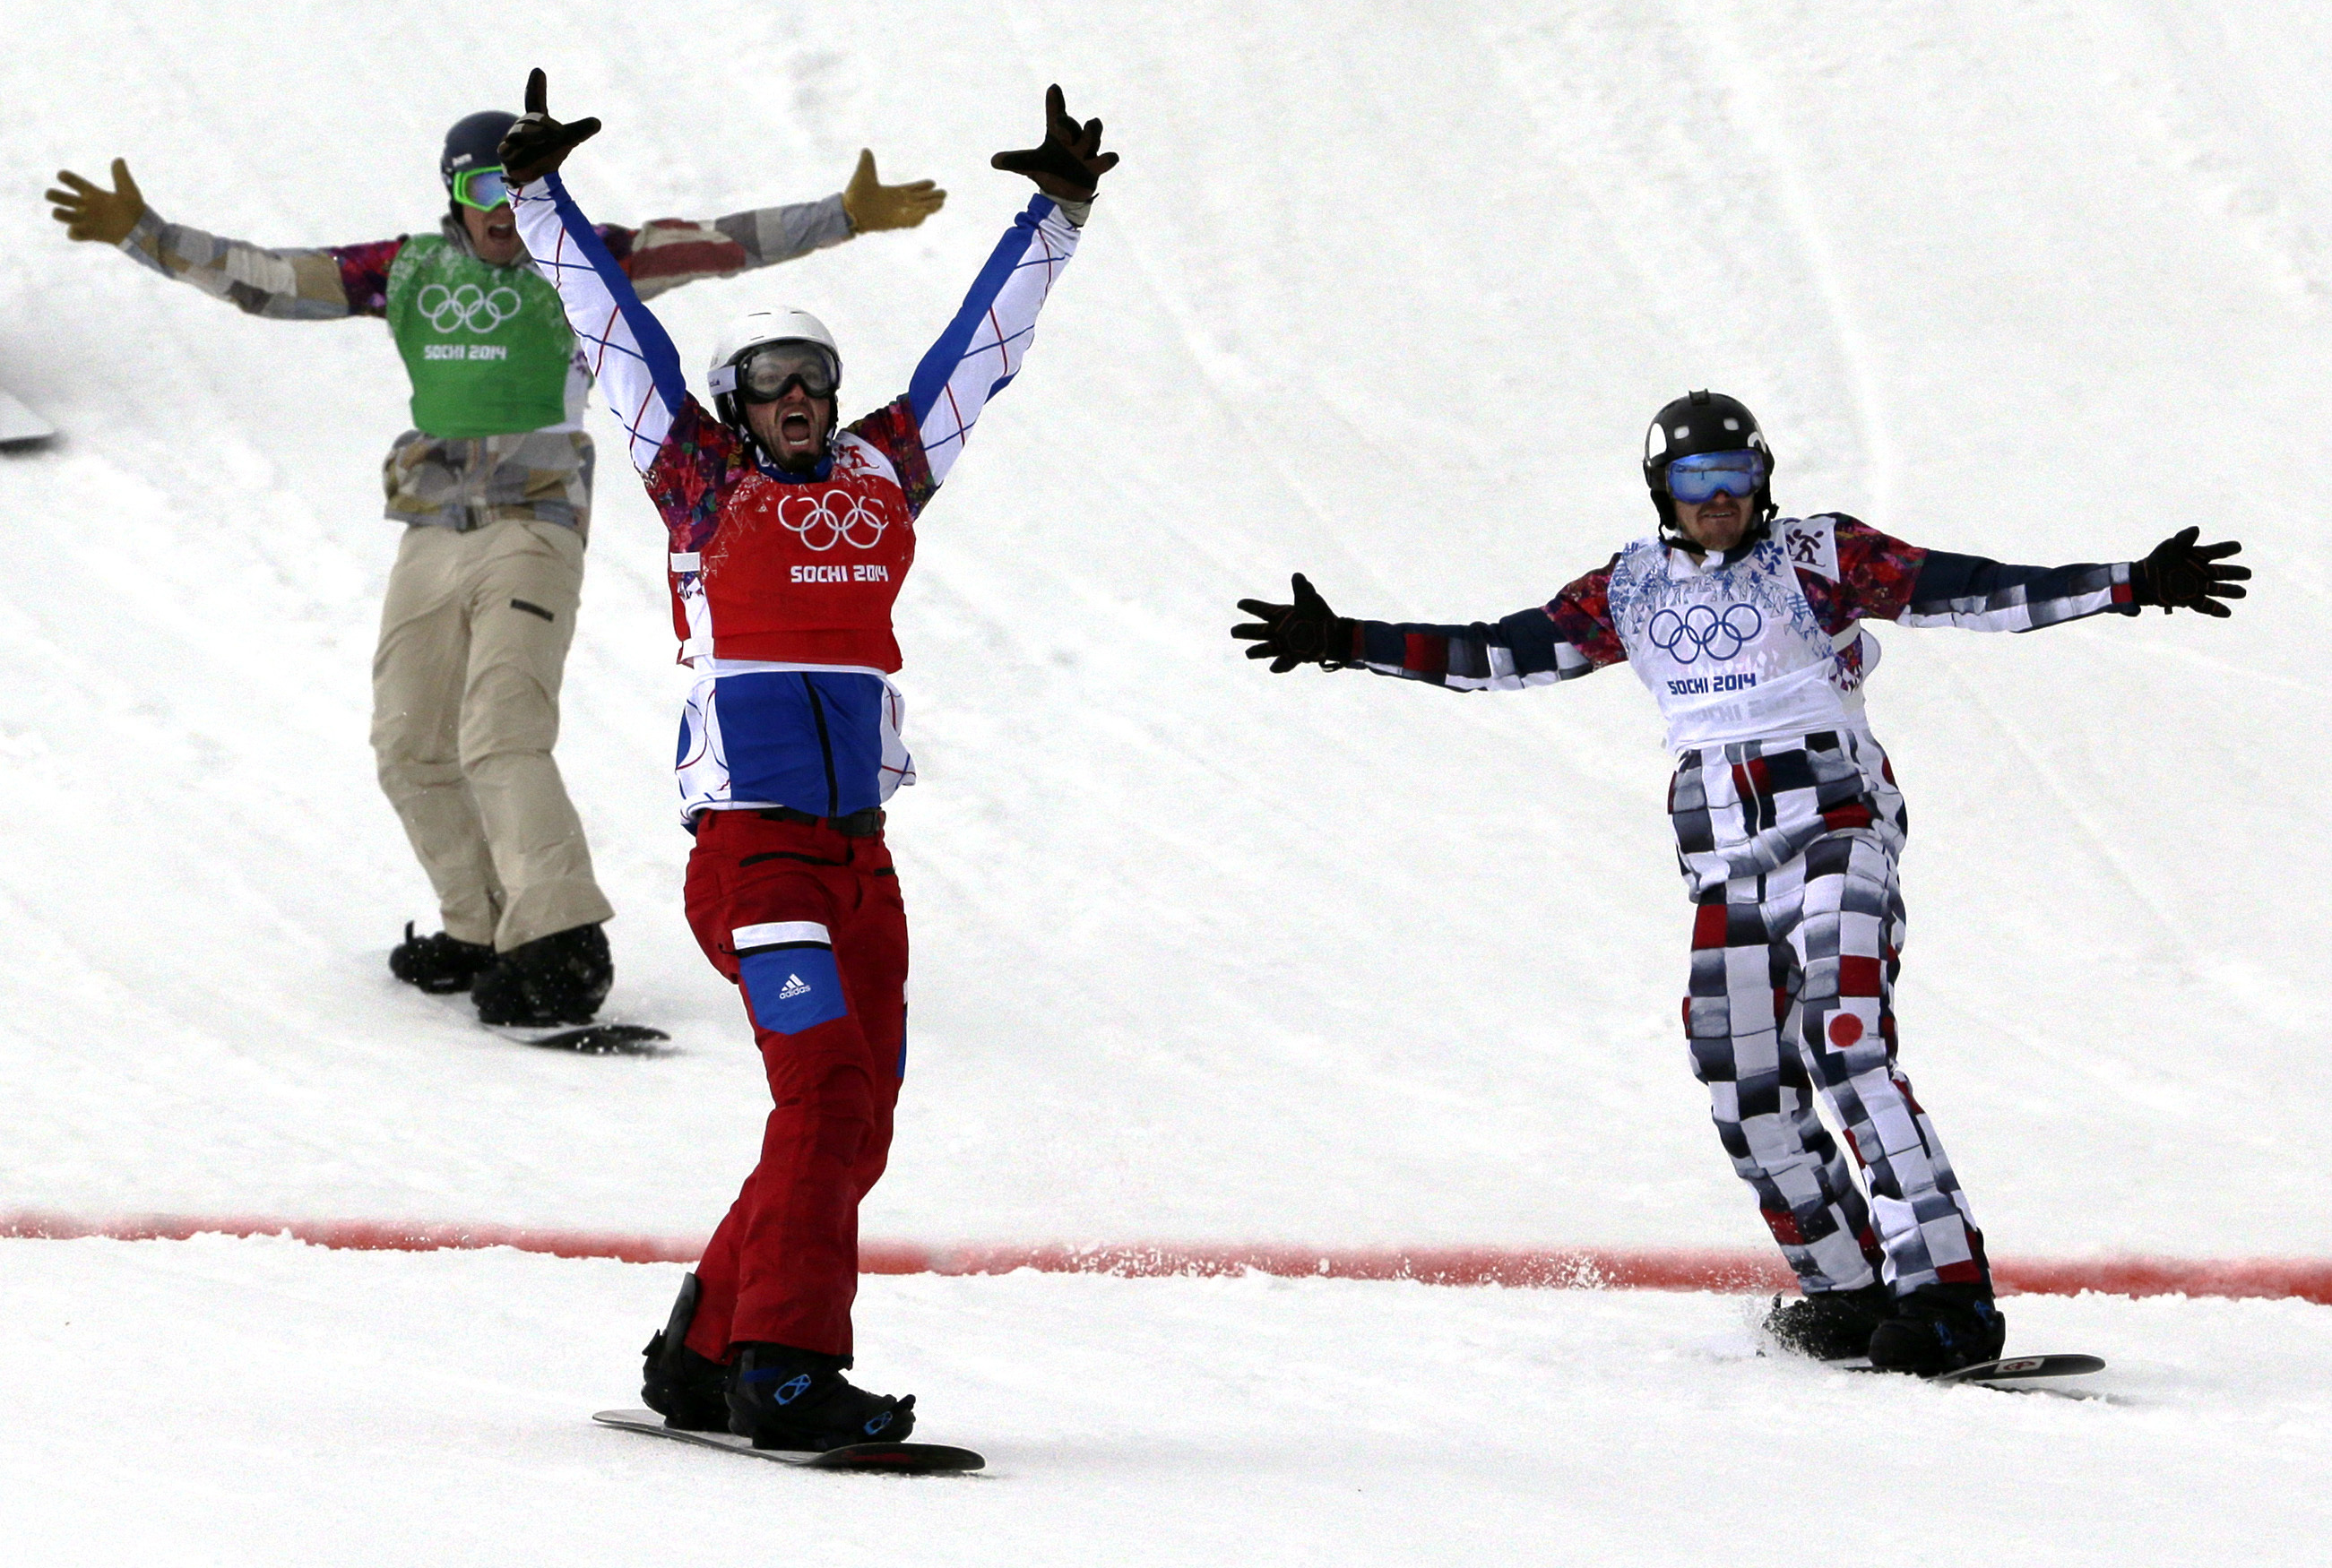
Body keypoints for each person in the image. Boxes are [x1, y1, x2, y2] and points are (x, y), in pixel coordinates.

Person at [1231, 391, 2247, 1374]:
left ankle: (1946, 1293)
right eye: (1695, 476)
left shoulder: (1818, 556)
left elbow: (1962, 587)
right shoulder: (1628, 587)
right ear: (1660, 487)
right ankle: (1848, 1286)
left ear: (1764, 480)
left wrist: (2126, 579)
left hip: (1832, 825)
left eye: (1737, 474)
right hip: (1722, 856)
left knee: (1845, 1036)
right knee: (1736, 1069)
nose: (1718, 495)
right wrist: (1346, 643)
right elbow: (1506, 652)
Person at [497, 70, 1114, 1446]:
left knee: (857, 1116)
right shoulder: (697, 480)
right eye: (769, 383)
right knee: (821, 1088)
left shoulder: (882, 475)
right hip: (753, 849)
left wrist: (1055, 215)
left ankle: (699, 1348)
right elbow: (615, 334)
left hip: (858, 855)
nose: (796, 397)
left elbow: (978, 359)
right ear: (732, 402)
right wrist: (539, 199)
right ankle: (782, 1367)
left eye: (813, 379)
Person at [46, 121, 943, 1028]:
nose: (504, 217)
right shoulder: (406, 273)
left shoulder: (577, 268)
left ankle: (559, 939)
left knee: (501, 728)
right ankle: (478, 925)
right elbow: (270, 280)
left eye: (513, 196)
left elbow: (716, 242)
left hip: (534, 519)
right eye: (483, 197)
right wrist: (142, 231)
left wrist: (843, 215)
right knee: (406, 744)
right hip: (431, 525)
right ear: (453, 198)